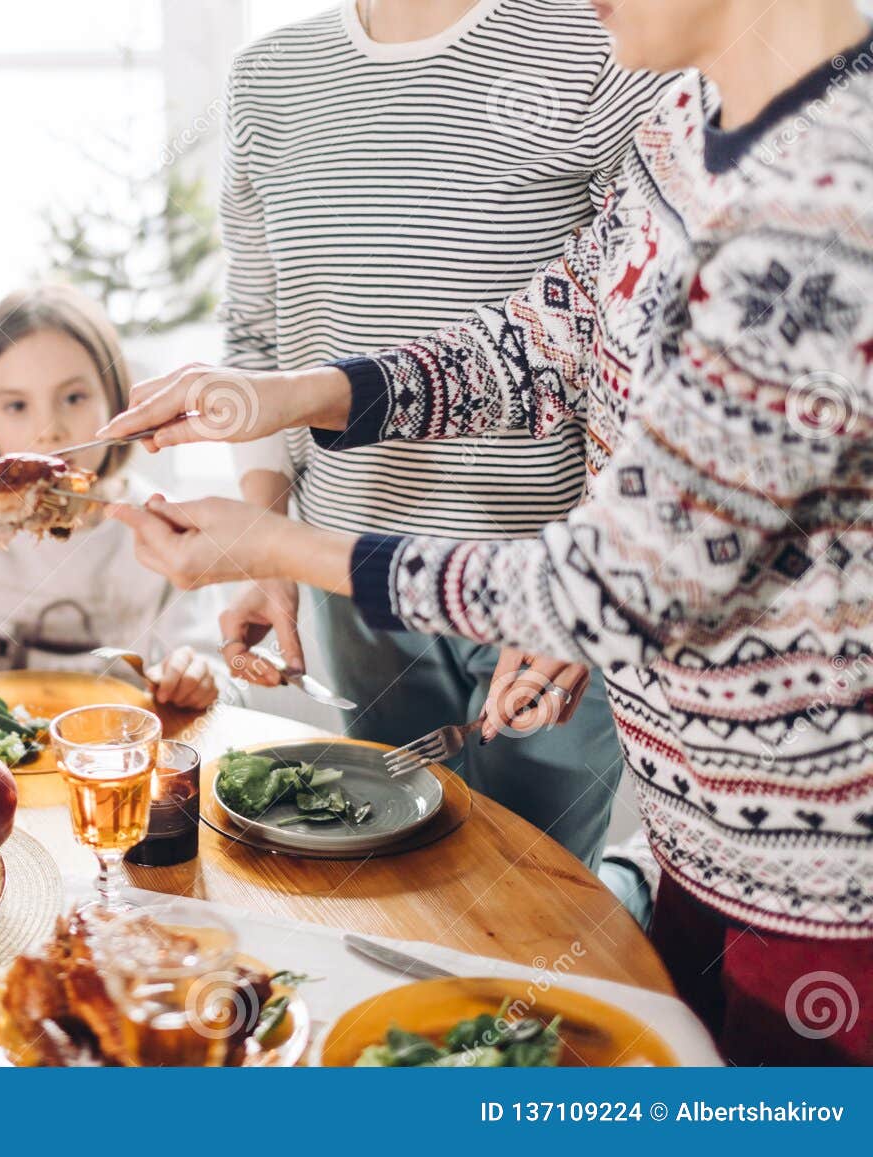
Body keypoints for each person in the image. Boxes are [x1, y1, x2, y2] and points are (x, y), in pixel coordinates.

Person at [100, 0, 873, 1063]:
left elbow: (617, 584)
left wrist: (274, 547)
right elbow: (541, 338)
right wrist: (294, 395)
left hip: (827, 889)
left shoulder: (835, 202)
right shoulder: (684, 123)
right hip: (698, 836)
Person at [214, 0, 668, 867]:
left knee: (534, 905)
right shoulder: (267, 77)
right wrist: (268, 544)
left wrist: (581, 585)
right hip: (350, 587)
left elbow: (634, 352)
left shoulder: (611, 38)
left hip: (542, 590)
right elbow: (255, 333)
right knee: (393, 885)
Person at [0, 284, 221, 709]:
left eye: (74, 398)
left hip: (119, 758)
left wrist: (196, 676)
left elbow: (212, 670)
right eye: (16, 406)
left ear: (116, 405)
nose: (49, 431)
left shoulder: (164, 529)